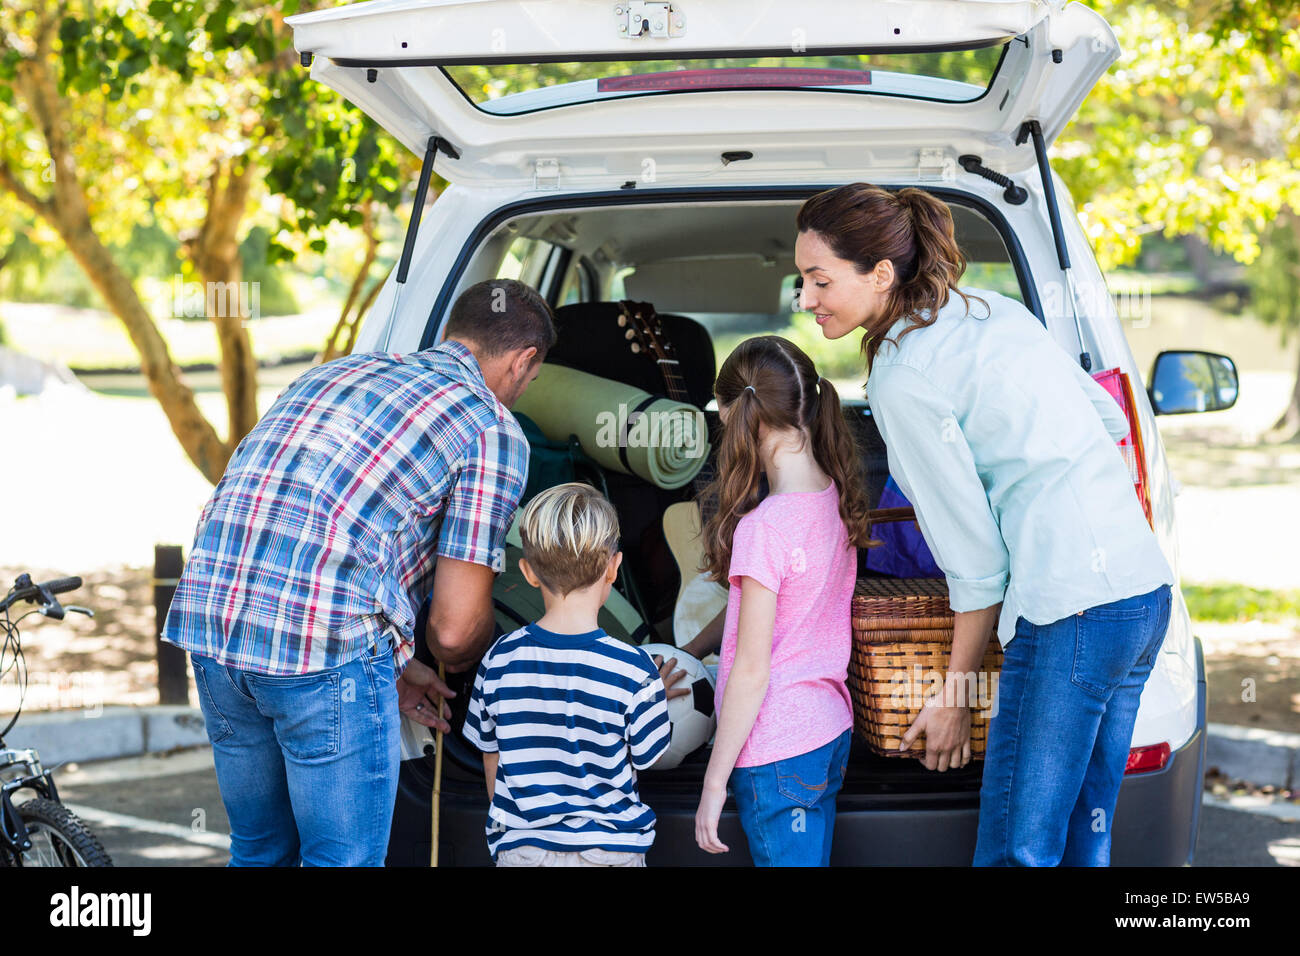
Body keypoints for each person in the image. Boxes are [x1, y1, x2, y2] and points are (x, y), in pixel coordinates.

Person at [794, 182, 1175, 866]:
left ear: (880, 274)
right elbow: (1109, 419)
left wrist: (952, 698)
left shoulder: (904, 376)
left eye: (820, 281)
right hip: (1142, 595)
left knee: (1016, 851)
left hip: (1069, 613)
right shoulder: (994, 311)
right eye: (802, 281)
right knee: (1084, 839)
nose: (804, 299)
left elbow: (975, 564)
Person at [162, 278, 555, 866]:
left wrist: (396, 664)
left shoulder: (333, 373)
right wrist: (498, 656)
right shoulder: (490, 427)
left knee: (260, 850)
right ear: (524, 360)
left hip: (210, 625)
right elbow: (453, 631)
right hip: (319, 653)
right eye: (532, 378)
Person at [691, 336, 877, 866]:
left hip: (776, 749)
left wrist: (713, 782)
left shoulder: (764, 527)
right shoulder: (832, 496)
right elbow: (765, 611)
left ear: (737, 414)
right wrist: (692, 648)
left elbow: (752, 671)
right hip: (827, 730)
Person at [463, 481, 686, 866]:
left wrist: (512, 830)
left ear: (528, 572)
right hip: (609, 850)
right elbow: (649, 756)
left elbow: (491, 755)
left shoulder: (499, 659)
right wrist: (650, 699)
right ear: (613, 568)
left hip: (524, 850)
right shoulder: (635, 670)